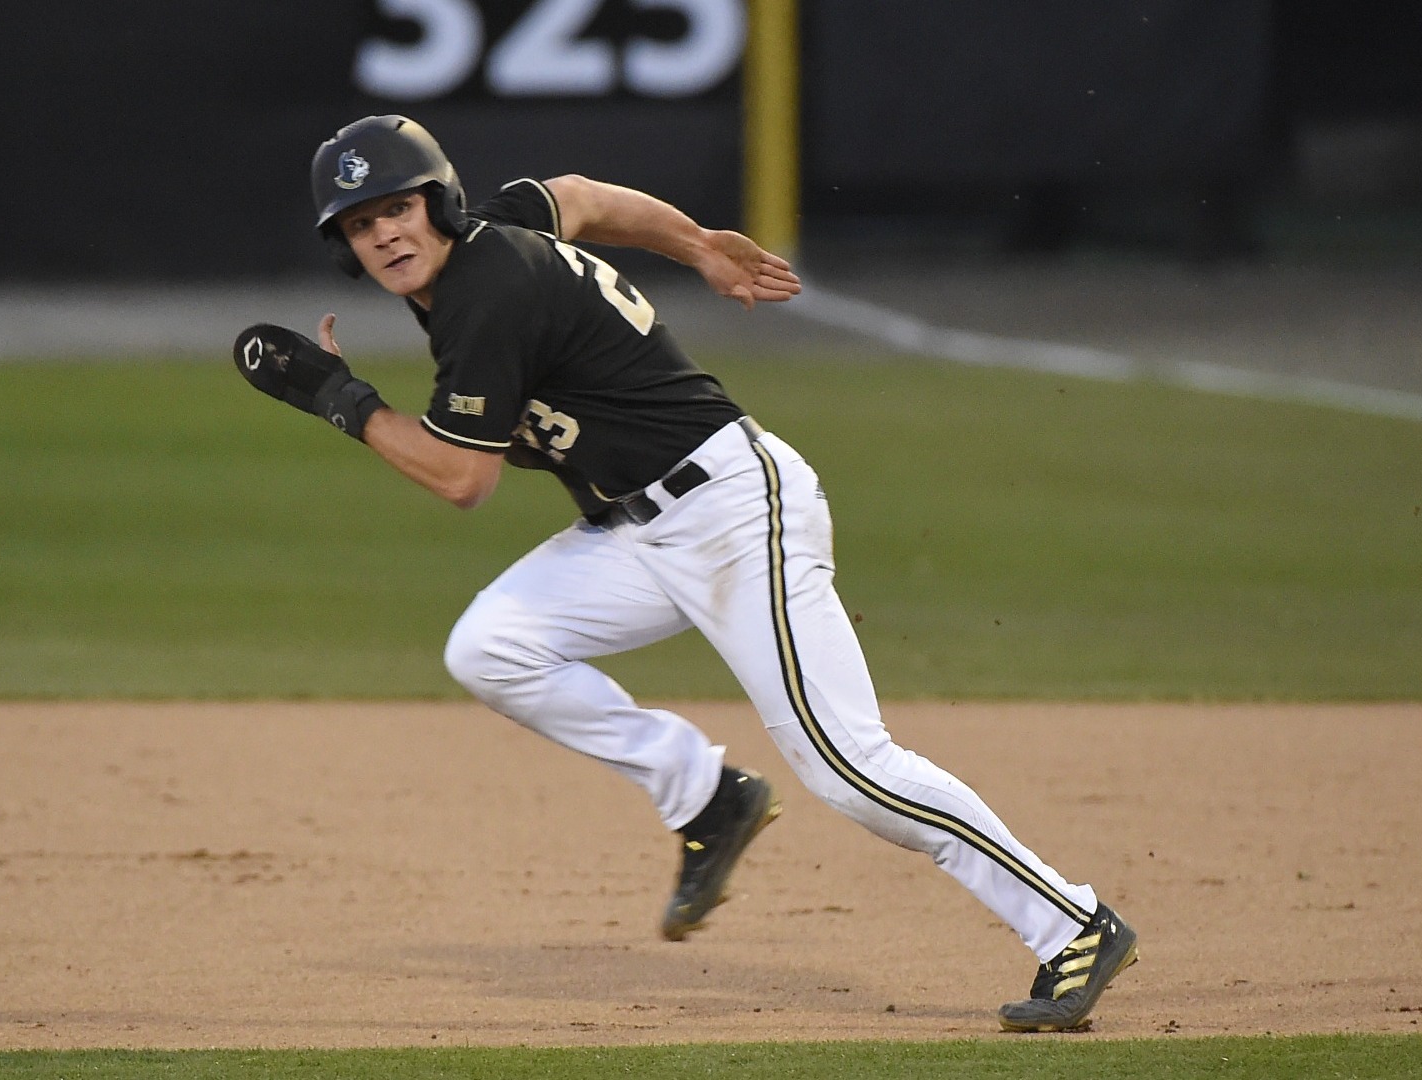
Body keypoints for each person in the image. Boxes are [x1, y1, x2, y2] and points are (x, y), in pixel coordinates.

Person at [230, 114, 1138, 1033]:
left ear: (440, 203)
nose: (383, 233)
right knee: (493, 647)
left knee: (847, 767)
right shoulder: (497, 239)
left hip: (736, 514)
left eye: (397, 207)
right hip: (634, 532)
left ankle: (1072, 920)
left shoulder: (484, 291)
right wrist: (696, 243)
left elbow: (463, 478)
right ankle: (707, 795)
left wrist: (339, 400)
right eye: (358, 222)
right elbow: (580, 199)